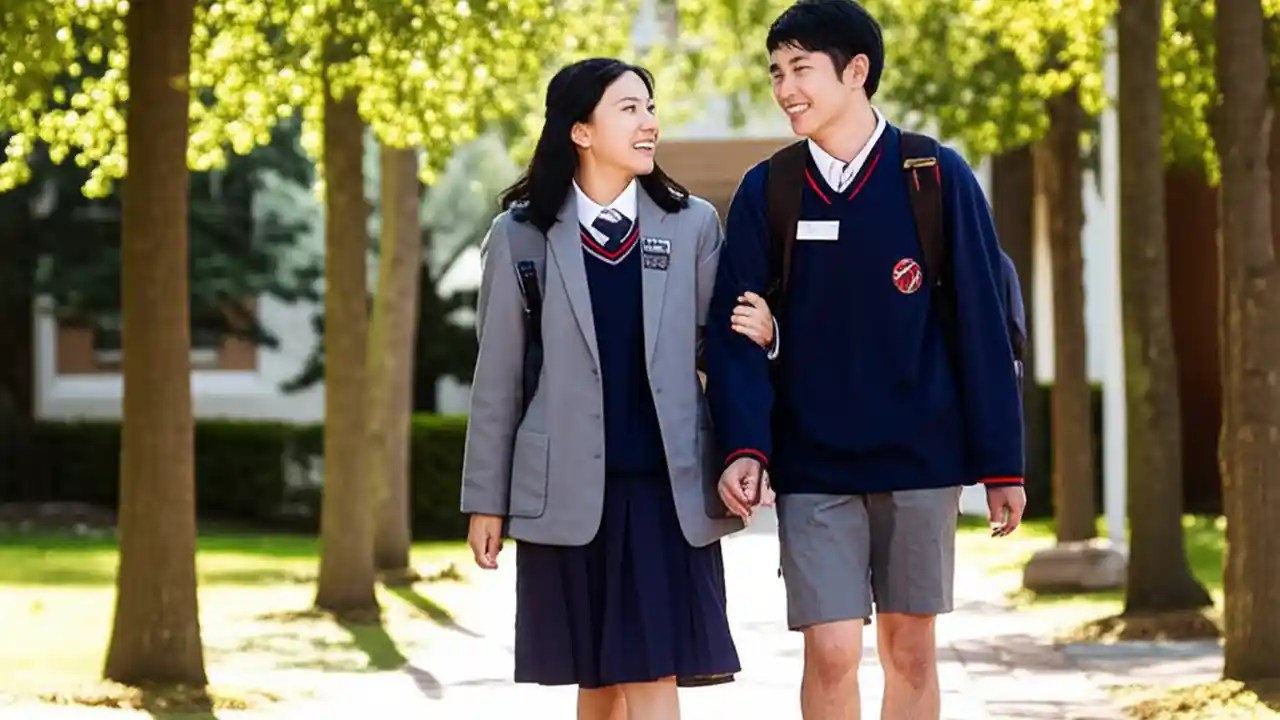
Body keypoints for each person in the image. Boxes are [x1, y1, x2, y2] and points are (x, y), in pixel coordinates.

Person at [704, 2, 1028, 719]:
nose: (785, 87)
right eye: (776, 72)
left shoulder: (934, 177)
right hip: (814, 462)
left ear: (856, 72)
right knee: (832, 651)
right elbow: (733, 334)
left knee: (910, 650)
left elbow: (981, 327)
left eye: (801, 70)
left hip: (922, 460)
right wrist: (744, 446)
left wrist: (1003, 464)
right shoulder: (771, 189)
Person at [459, 57, 776, 720]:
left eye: (650, 107)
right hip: (567, 498)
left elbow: (717, 352)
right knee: (598, 684)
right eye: (629, 108)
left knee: (655, 677)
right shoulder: (519, 237)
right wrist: (485, 501)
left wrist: (750, 434)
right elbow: (498, 381)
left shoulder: (691, 226)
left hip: (667, 494)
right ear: (580, 130)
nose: (649, 122)